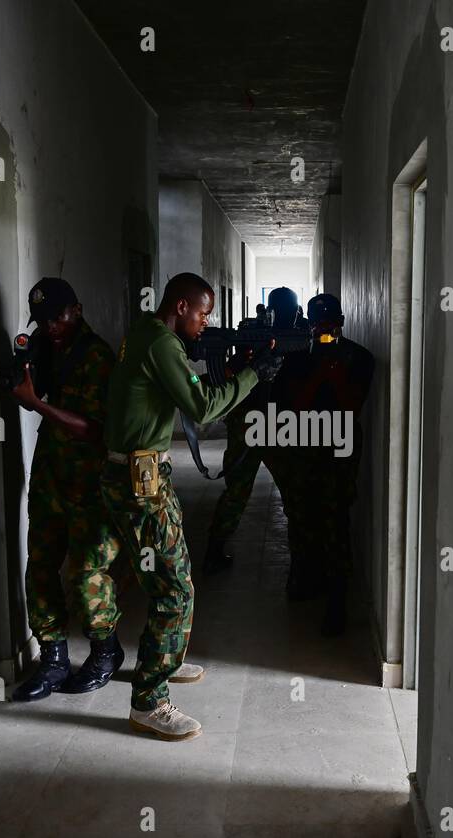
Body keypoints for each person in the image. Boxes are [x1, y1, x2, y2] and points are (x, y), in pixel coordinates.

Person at [102, 273, 282, 740]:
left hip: (144, 474)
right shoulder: (162, 344)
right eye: (203, 314)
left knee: (173, 575)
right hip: (140, 481)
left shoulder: (146, 332)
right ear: (181, 306)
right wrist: (253, 373)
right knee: (174, 589)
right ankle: (150, 702)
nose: (206, 322)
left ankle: (168, 657)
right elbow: (202, 407)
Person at [9, 278, 126, 701]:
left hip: (90, 482)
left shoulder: (98, 358)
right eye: (41, 320)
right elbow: (33, 390)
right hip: (49, 478)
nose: (50, 327)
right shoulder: (45, 343)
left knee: (85, 574)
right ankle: (53, 659)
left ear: (75, 310)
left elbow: (94, 429)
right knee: (40, 565)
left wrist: (37, 405)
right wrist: (24, 381)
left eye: (56, 317)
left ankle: (105, 650)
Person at [271, 293, 374, 636]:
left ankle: (337, 598)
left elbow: (352, 407)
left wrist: (336, 375)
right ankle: (304, 576)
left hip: (340, 447)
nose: (325, 332)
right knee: (300, 513)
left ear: (342, 322)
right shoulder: (298, 357)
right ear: (309, 325)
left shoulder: (359, 357)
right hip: (302, 443)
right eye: (319, 325)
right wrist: (318, 375)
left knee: (335, 517)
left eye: (331, 324)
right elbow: (294, 405)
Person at [203, 286, 306, 573]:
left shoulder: (298, 341)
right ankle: (300, 561)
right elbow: (229, 372)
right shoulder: (255, 338)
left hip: (266, 425)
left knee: (247, 491)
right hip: (260, 424)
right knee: (268, 491)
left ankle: (299, 561)